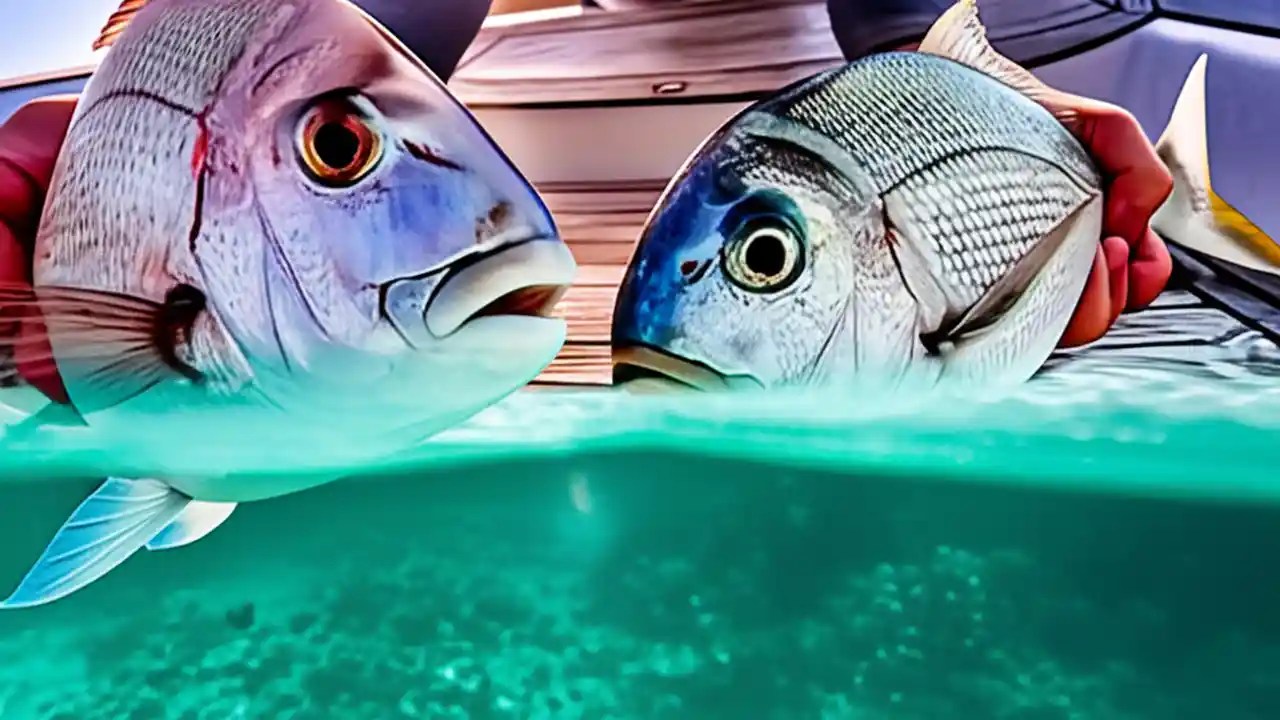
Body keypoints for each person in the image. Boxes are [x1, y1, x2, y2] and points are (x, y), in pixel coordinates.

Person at [0, 0, 1172, 396]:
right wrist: (165, 103)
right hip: (450, 217)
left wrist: (974, 115)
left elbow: (911, 27)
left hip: (778, 154)